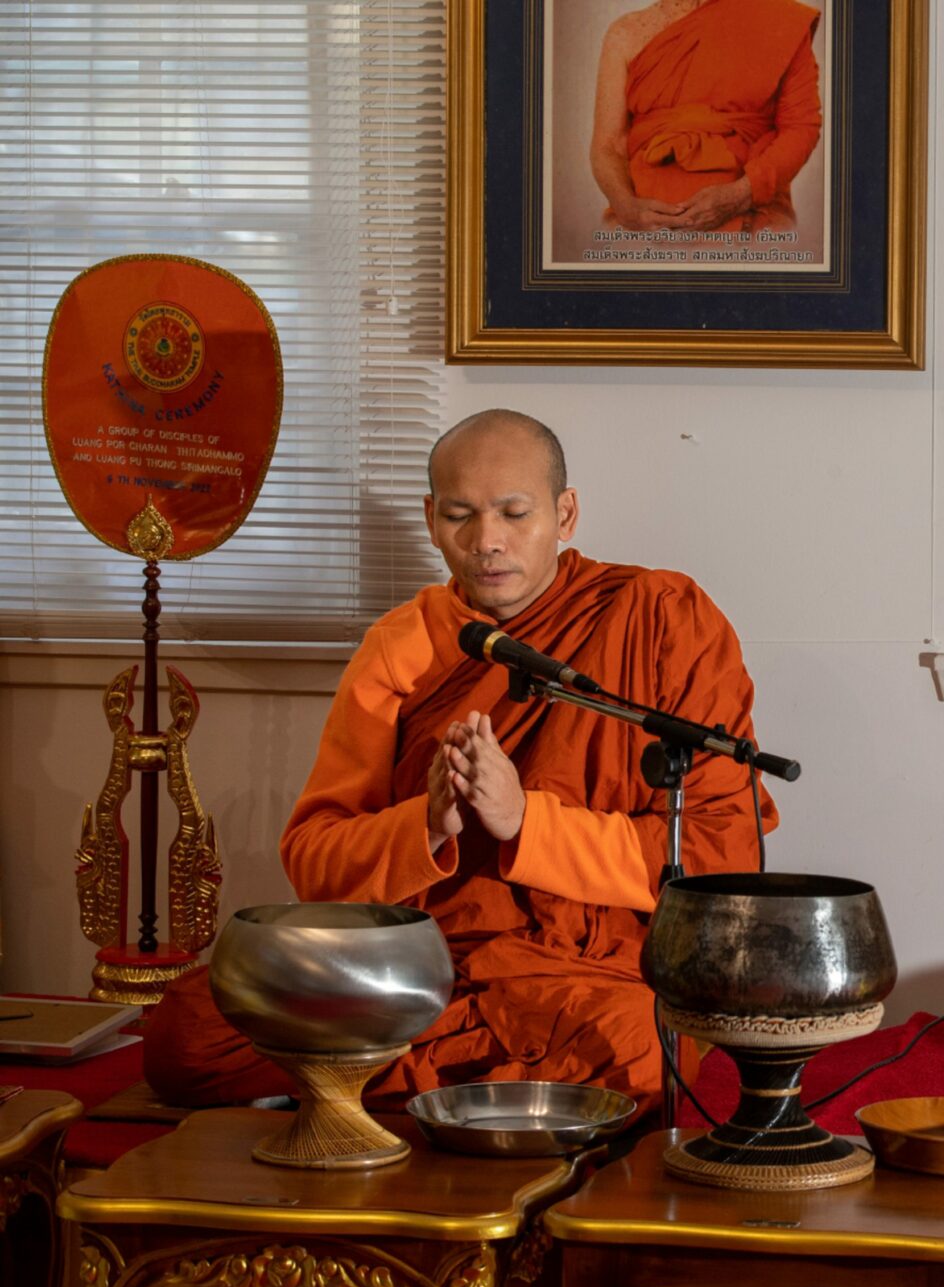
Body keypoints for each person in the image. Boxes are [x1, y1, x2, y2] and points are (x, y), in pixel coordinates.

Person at [144, 409, 777, 1109]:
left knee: (630, 1041)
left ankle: (371, 1087)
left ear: (566, 514)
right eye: (459, 516)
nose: (487, 543)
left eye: (515, 513)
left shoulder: (661, 618)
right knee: (188, 1035)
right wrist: (426, 823)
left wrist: (526, 822)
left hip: (589, 969)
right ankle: (466, 1087)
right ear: (429, 517)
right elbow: (315, 860)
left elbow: (722, 855)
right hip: (414, 966)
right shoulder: (404, 643)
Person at [589, 0, 823, 236]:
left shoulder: (777, 18)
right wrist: (625, 206)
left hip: (751, 222)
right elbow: (609, 145)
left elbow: (801, 128)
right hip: (641, 227)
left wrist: (742, 195)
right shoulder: (626, 33)